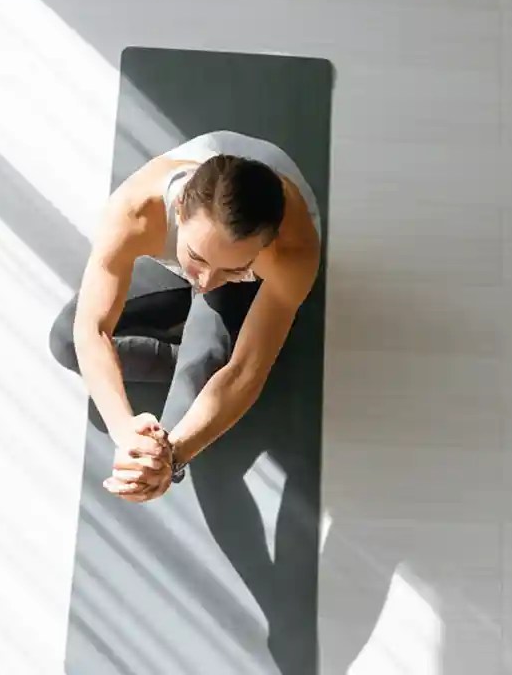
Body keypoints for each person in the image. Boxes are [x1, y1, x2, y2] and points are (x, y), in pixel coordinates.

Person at [48, 130, 322, 503]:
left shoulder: (293, 251)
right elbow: (92, 328)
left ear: (265, 246)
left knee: (176, 434)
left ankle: (212, 323)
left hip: (251, 283)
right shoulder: (135, 210)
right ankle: (189, 354)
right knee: (65, 343)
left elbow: (244, 372)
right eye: (199, 257)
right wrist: (124, 430)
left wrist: (169, 457)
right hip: (176, 261)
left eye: (230, 267)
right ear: (178, 209)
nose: (207, 281)